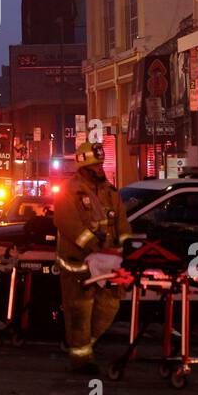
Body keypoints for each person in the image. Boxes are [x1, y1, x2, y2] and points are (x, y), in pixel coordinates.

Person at [54, 141, 130, 375]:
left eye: (101, 164)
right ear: (84, 168)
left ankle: (84, 342)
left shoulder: (110, 191)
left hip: (106, 262)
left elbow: (122, 222)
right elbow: (67, 222)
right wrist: (93, 244)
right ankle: (81, 360)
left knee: (110, 304)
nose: (100, 168)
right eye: (95, 165)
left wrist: (126, 246)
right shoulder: (70, 191)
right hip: (79, 264)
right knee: (80, 310)